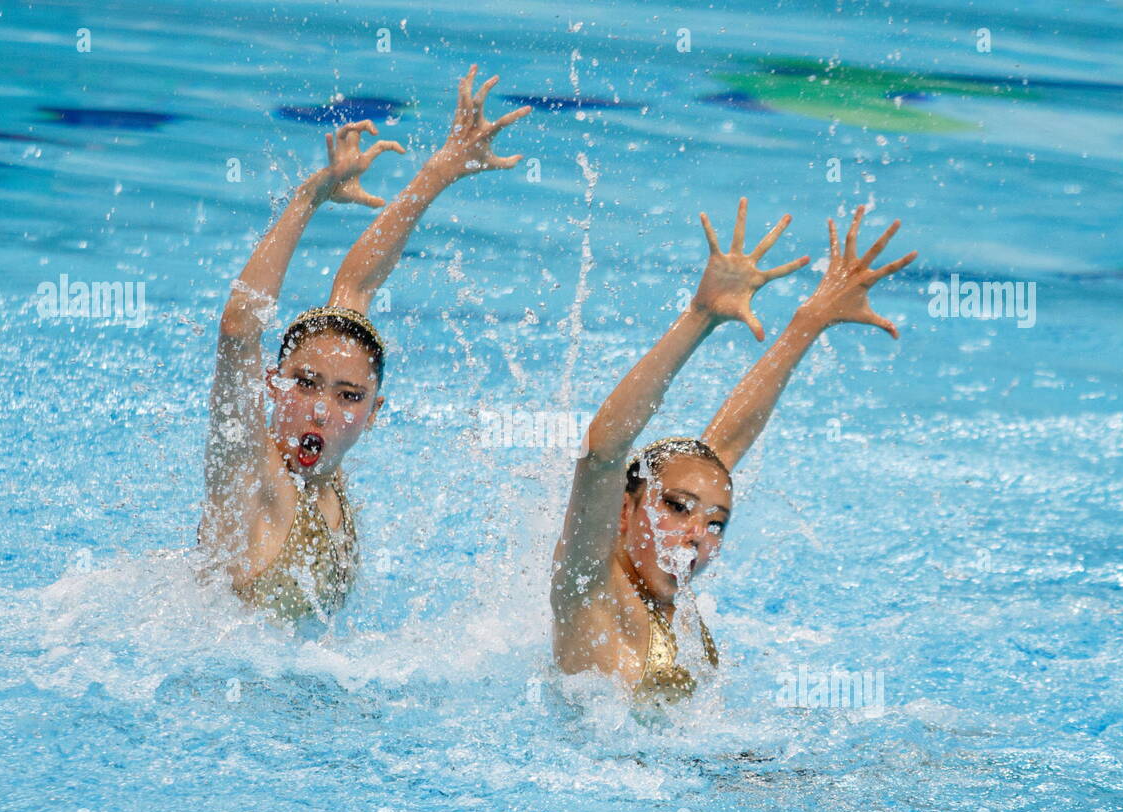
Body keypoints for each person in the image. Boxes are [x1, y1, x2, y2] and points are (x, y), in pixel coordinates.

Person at [197, 66, 531, 622]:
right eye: (304, 384)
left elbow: (357, 284)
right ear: (272, 386)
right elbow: (238, 328)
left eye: (349, 396)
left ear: (374, 412)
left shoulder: (328, 467)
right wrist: (310, 197)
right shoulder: (250, 472)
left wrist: (441, 170)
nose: (323, 408)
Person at [550, 201, 917, 701]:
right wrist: (699, 317)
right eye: (677, 508)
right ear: (623, 509)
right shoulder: (589, 592)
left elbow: (725, 444)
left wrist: (809, 321)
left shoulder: (670, 597)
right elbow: (601, 455)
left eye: (716, 522)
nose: (698, 535)